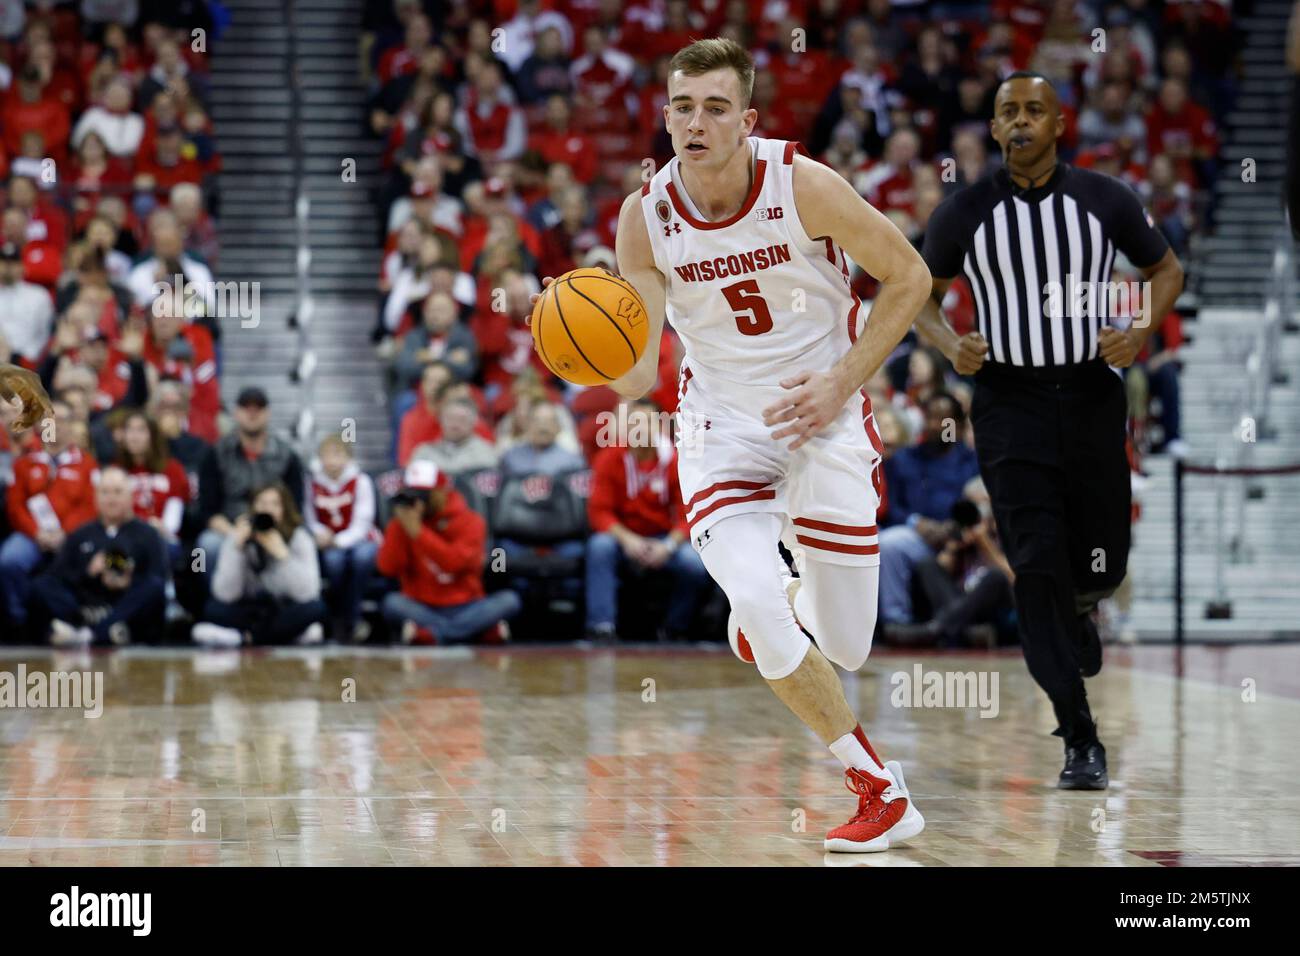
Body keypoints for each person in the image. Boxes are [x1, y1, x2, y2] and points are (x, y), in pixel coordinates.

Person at [559, 39, 932, 852]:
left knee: (845, 644)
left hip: (823, 417)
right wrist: (583, 341)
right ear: (666, 114)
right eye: (682, 106)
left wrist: (841, 381)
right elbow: (635, 378)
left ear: (748, 119)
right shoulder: (643, 217)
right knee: (760, 607)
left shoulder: (804, 185)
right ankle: (877, 786)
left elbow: (910, 278)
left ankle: (776, 619)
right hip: (720, 427)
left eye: (715, 107)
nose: (696, 122)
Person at [916, 72, 1184, 790]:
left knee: (1103, 560)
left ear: (1059, 123)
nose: (1022, 121)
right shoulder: (962, 212)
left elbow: (1166, 269)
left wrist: (1139, 328)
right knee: (1034, 565)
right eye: (1009, 112)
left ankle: (1085, 603)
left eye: (1035, 109)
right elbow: (916, 299)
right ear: (996, 128)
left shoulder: (1105, 199)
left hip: (1092, 395)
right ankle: (1079, 735)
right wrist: (950, 345)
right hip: (1008, 402)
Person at [584, 399, 709, 642]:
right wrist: (628, 540)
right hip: (622, 538)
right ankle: (601, 626)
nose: (640, 429)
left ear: (661, 428)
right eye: (634, 423)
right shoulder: (609, 458)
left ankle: (674, 629)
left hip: (663, 539)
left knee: (693, 564)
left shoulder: (675, 460)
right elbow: (599, 512)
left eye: (648, 422)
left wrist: (668, 546)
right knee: (599, 547)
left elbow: (688, 515)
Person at [376, 459, 521, 644]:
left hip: (467, 604)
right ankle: (473, 631)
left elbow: (453, 564)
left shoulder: (471, 521)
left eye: (422, 495)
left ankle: (435, 635)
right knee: (392, 603)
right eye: (410, 494)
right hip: (421, 604)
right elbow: (387, 569)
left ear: (441, 493)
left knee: (509, 600)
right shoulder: (402, 524)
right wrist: (398, 529)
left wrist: (419, 533)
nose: (416, 502)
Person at [30, 466, 166, 646]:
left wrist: (127, 581)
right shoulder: (81, 533)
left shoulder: (148, 534)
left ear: (131, 496)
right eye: (105, 492)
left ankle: (92, 633)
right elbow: (58, 576)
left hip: (128, 605)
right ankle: (94, 629)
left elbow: (159, 578)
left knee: (153, 588)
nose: (111, 499)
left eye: (118, 492)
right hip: (85, 605)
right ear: (95, 497)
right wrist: (89, 572)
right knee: (41, 585)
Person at [877, 392, 980, 627]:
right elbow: (893, 509)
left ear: (958, 424)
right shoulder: (904, 458)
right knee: (889, 543)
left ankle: (969, 624)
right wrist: (917, 523)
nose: (937, 425)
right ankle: (896, 620)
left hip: (960, 536)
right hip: (917, 534)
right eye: (932, 418)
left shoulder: (971, 461)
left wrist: (952, 530)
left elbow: (976, 509)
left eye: (945, 420)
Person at [1, 397, 98, 634]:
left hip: (71, 536)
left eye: (60, 419)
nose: (52, 424)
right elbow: (15, 506)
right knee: (9, 561)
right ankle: (19, 620)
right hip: (33, 535)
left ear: (71, 425)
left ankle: (77, 619)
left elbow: (89, 506)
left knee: (90, 562)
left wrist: (65, 533)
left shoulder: (86, 464)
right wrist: (37, 533)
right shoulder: (23, 464)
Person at [191, 481, 327, 647]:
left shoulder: (299, 537)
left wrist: (283, 555)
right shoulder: (239, 535)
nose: (267, 509)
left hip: (283, 607)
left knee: (316, 608)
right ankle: (281, 637)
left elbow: (308, 594)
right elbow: (225, 595)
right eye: (262, 503)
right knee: (211, 609)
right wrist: (237, 549)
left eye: (275, 504)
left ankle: (246, 638)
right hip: (247, 608)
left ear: (285, 510)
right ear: (253, 508)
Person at [198, 387, 306, 571]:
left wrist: (273, 533)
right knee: (206, 546)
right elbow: (208, 509)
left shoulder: (288, 455)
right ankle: (213, 599)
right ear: (236, 413)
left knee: (305, 542)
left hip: (277, 527)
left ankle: (299, 598)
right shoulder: (216, 454)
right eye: (246, 408)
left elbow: (296, 506)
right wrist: (235, 534)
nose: (252, 414)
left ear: (268, 413)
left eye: (258, 408)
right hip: (229, 527)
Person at [305, 435, 380, 642]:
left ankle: (352, 614)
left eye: (338, 454)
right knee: (334, 562)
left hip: (359, 538)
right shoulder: (312, 483)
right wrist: (319, 532)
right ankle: (338, 616)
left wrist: (338, 541)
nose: (332, 461)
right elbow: (309, 517)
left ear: (349, 458)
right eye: (327, 455)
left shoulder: (361, 481)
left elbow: (364, 521)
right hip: (328, 541)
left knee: (363, 558)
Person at [115, 409, 191, 560]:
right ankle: (115, 580)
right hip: (124, 537)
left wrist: (157, 528)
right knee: (114, 552)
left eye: (141, 430)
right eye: (129, 430)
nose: (134, 436)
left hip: (163, 538)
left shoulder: (172, 469)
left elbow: (173, 522)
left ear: (153, 436)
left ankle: (163, 584)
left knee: (155, 548)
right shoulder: (116, 470)